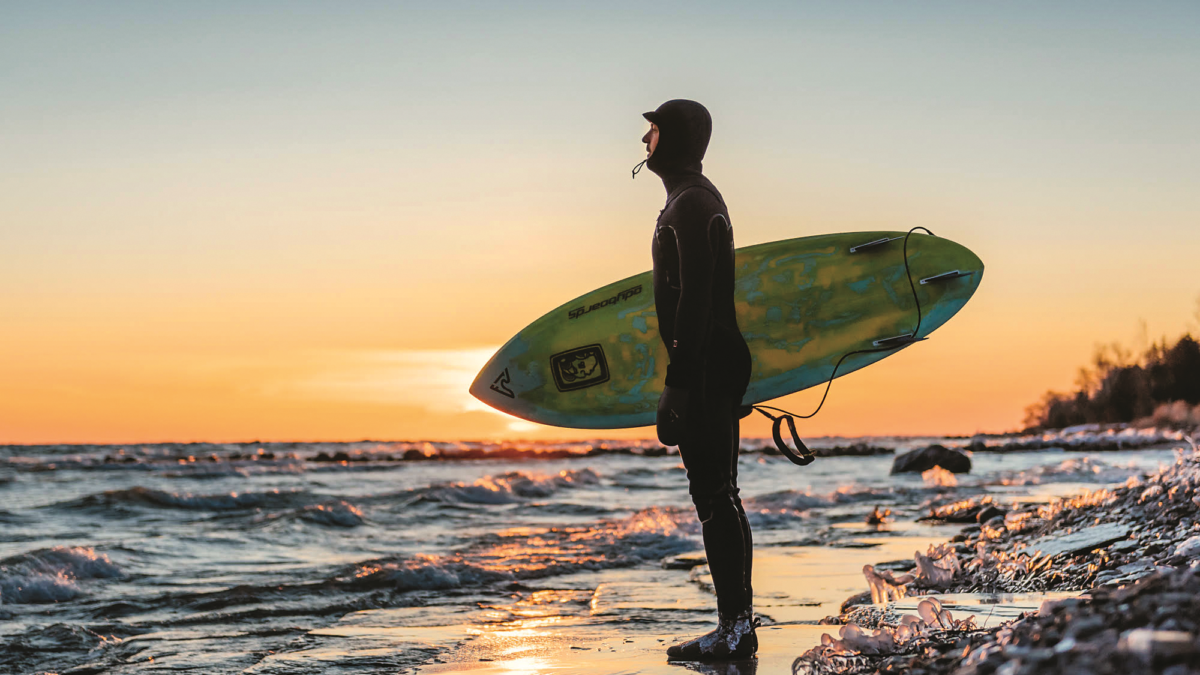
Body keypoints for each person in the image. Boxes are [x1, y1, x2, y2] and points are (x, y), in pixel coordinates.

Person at [637, 99, 756, 661]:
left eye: (653, 131)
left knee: (714, 496)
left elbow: (696, 302)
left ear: (676, 140)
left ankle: (735, 628)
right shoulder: (693, 199)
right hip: (713, 361)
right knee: (719, 495)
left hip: (706, 364)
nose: (645, 143)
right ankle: (736, 623)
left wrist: (677, 383)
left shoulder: (689, 204)